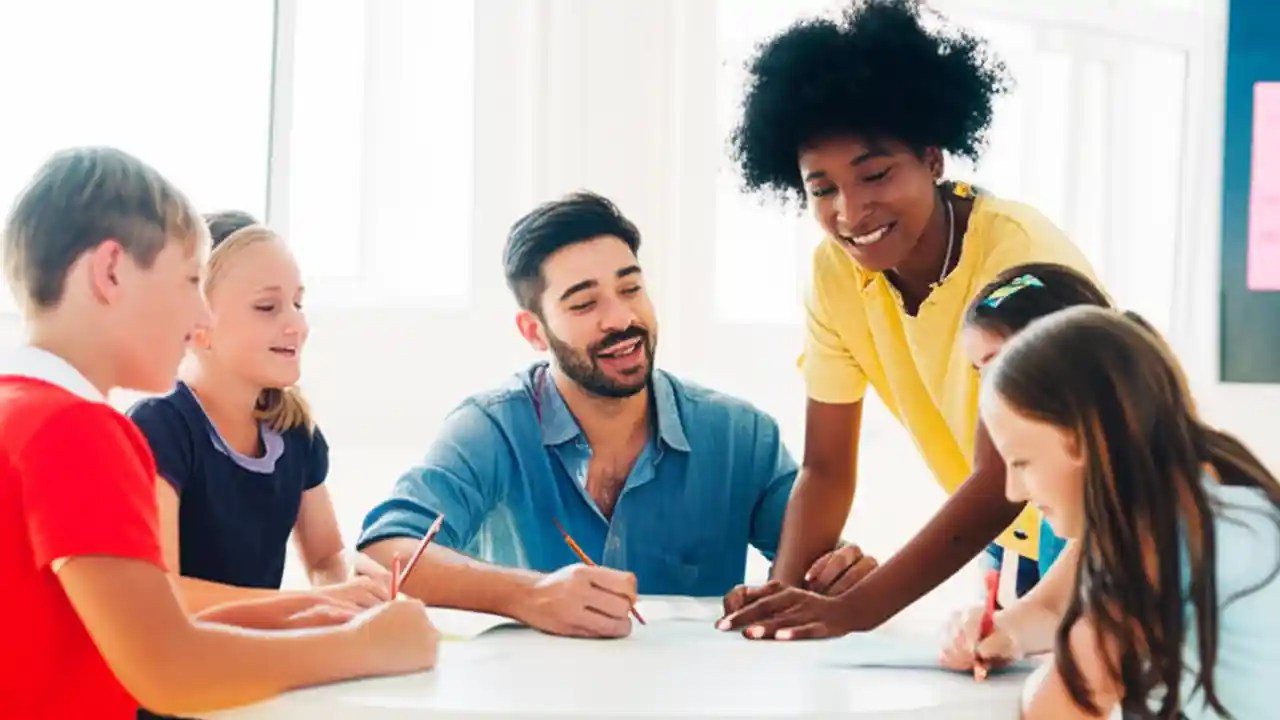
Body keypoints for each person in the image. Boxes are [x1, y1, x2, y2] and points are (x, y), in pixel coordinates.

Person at [0, 147, 437, 719]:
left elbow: (150, 627)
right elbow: (169, 666)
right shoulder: (79, 432)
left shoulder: (22, 412)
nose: (201, 319)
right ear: (110, 273)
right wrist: (365, 646)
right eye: (189, 281)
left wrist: (303, 613)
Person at [717, 0, 1097, 640]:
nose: (851, 211)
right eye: (822, 188)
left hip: (1097, 521)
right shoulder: (834, 276)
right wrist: (780, 600)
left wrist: (855, 610)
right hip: (1010, 537)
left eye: (876, 174)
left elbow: (1001, 475)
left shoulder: (1018, 255)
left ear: (932, 158)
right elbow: (827, 469)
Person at [358, 191, 874, 638]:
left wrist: (837, 575)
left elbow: (810, 559)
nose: (622, 319)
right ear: (534, 331)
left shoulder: (741, 436)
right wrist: (529, 594)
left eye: (630, 289)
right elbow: (384, 553)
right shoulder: (491, 428)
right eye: (584, 305)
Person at [955, 306, 1280, 719]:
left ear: (1079, 440)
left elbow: (1052, 710)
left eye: (1020, 463)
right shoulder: (1223, 499)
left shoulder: (1162, 535)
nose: (1013, 490)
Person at [128, 223, 391, 628]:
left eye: (298, 305)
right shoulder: (160, 428)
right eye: (267, 308)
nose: (297, 325)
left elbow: (324, 557)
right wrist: (312, 602)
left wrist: (354, 591)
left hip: (251, 656)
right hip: (181, 669)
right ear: (198, 327)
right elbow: (164, 592)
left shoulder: (296, 432)